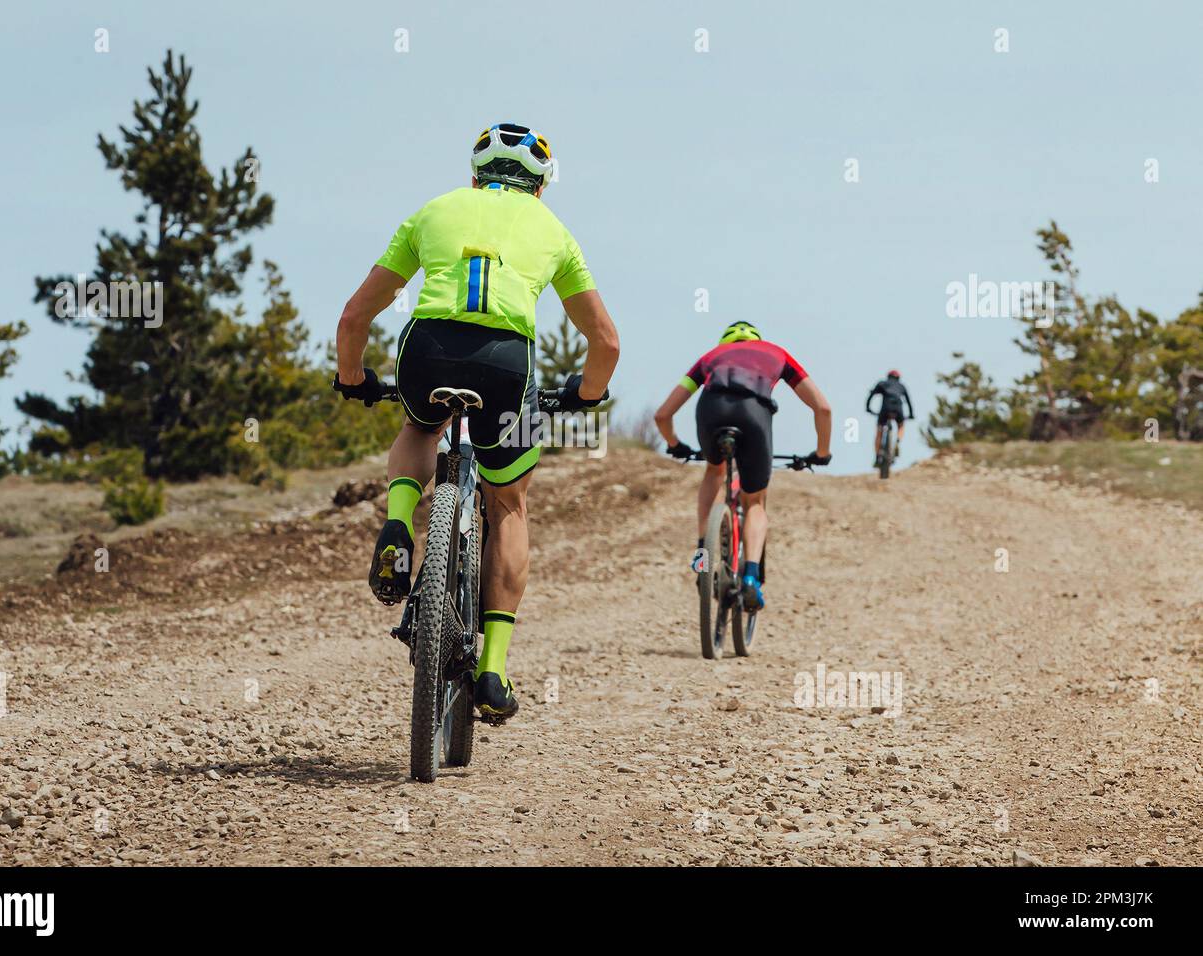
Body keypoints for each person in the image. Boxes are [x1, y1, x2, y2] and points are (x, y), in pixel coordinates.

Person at [334, 123, 620, 722]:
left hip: (427, 350)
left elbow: (355, 315)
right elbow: (606, 342)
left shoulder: (433, 211)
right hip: (504, 369)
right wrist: (586, 395)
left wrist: (353, 378)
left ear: (474, 176)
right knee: (509, 503)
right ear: (540, 188)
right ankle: (493, 667)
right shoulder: (555, 232)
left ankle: (396, 527)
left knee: (418, 428)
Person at [653, 321, 831, 610]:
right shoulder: (777, 353)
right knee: (755, 502)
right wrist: (821, 453)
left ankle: (703, 551)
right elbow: (823, 408)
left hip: (710, 410)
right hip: (754, 413)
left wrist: (675, 445)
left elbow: (662, 415)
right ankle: (750, 578)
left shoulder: (710, 357)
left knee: (714, 469)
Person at [865, 370, 913, 466]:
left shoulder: (882, 383)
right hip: (898, 409)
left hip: (885, 408)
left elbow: (871, 395)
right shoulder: (901, 386)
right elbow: (908, 401)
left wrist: (868, 408)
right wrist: (911, 414)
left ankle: (878, 455)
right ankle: (898, 440)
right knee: (901, 425)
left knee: (879, 431)